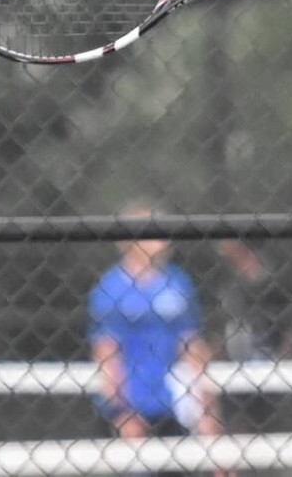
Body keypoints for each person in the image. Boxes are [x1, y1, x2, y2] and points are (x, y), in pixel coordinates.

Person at [88, 204, 230, 477]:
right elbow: (106, 353)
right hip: (133, 398)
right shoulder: (110, 288)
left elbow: (191, 345)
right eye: (153, 233)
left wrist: (207, 406)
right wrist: (121, 410)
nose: (163, 240)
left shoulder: (177, 282)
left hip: (175, 399)